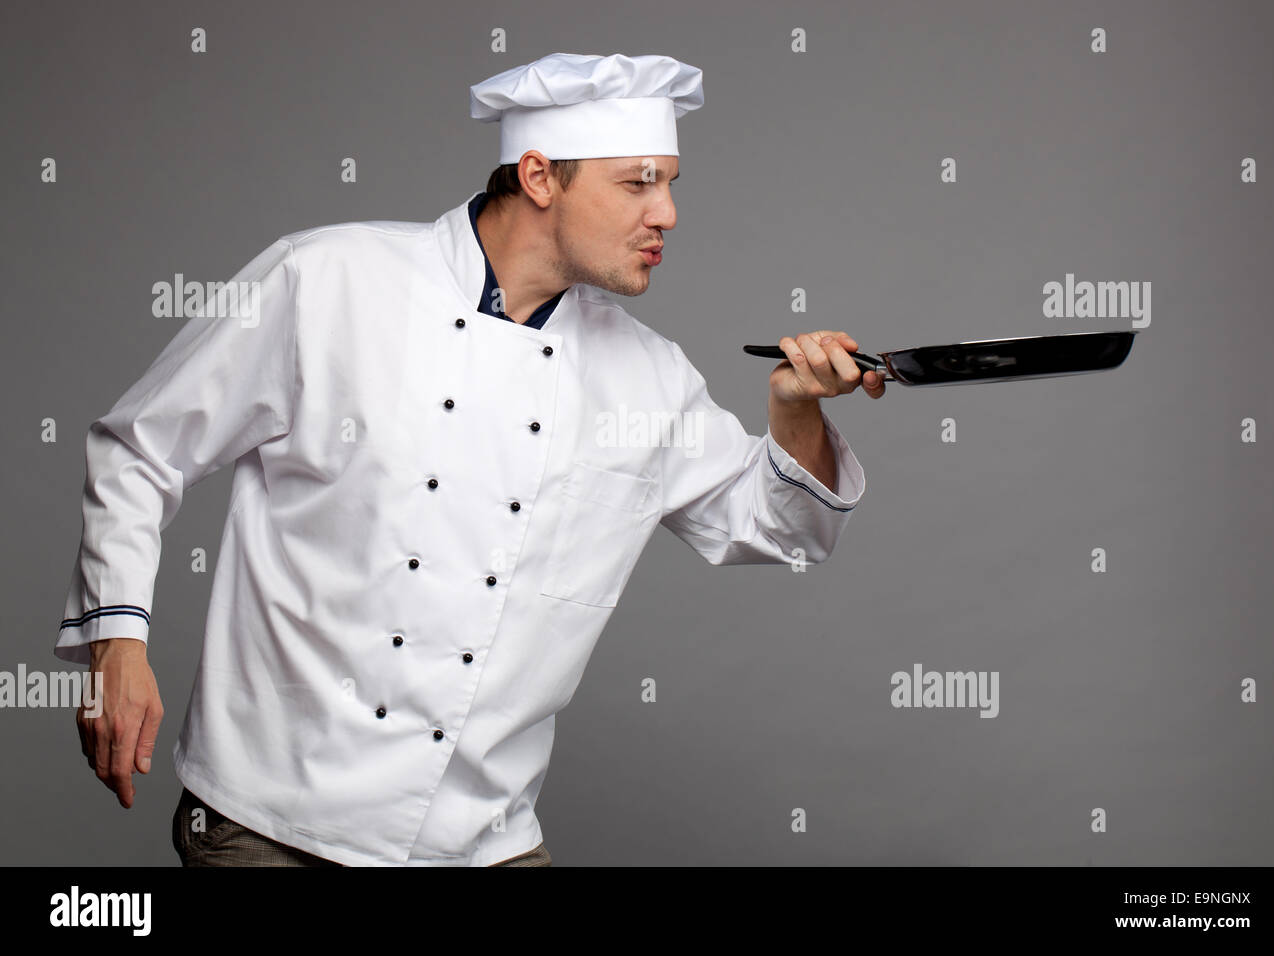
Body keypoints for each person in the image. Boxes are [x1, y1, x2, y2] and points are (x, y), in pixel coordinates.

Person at [56, 52, 886, 867]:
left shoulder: (649, 376)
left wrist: (794, 407)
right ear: (537, 177)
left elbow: (788, 529)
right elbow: (140, 448)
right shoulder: (329, 281)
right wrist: (116, 639)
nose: (667, 212)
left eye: (670, 183)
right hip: (272, 824)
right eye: (638, 183)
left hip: (482, 839)